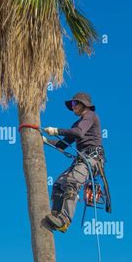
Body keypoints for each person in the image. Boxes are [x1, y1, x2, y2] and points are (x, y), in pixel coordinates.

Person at [43, 92, 106, 233]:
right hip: (83, 159)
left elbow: (78, 133)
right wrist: (45, 141)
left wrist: (56, 130)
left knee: (72, 181)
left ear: (83, 104)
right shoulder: (77, 123)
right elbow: (62, 144)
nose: (73, 107)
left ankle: (64, 220)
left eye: (74, 103)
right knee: (59, 183)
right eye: (71, 105)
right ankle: (55, 214)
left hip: (93, 159)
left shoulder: (90, 115)